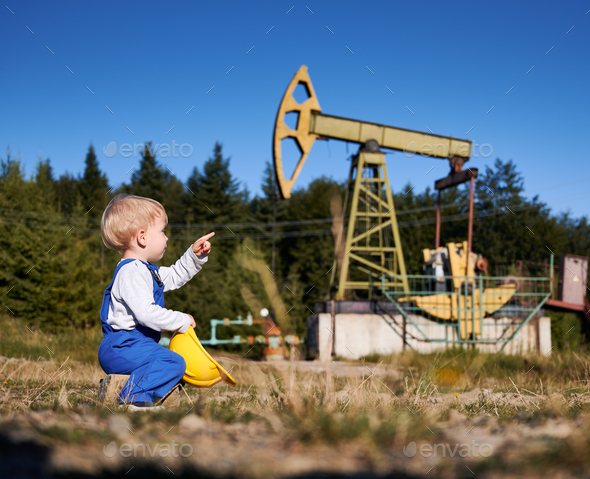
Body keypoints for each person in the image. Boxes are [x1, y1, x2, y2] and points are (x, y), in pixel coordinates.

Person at [98, 193, 214, 410]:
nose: (166, 238)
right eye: (162, 231)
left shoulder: (147, 271)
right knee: (174, 362)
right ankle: (134, 401)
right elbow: (147, 314)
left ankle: (138, 394)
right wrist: (182, 320)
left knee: (171, 363)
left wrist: (193, 256)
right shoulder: (131, 272)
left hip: (133, 346)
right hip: (122, 346)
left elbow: (175, 275)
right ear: (142, 237)